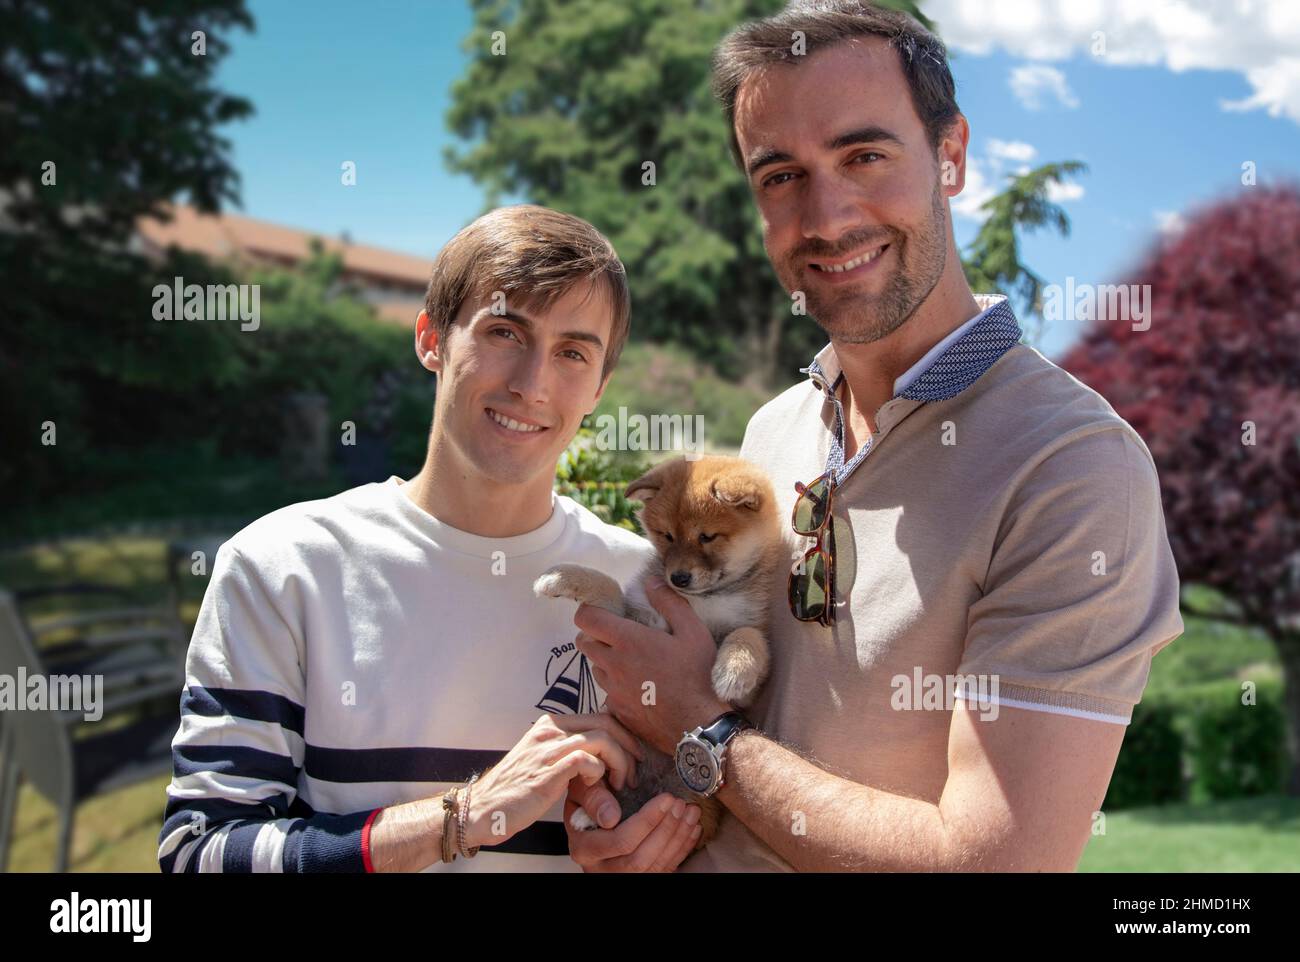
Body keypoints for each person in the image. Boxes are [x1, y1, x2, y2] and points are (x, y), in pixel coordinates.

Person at [569, 0, 1185, 872]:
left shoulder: (1073, 467)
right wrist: (638, 810)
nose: (824, 218)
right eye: (780, 175)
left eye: (864, 155)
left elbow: (994, 864)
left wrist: (701, 734)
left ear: (951, 154)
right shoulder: (775, 429)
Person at [158, 205, 702, 872]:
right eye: (504, 331)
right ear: (431, 339)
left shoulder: (647, 589)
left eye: (572, 352)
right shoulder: (281, 568)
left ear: (599, 387)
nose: (532, 385)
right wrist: (462, 818)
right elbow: (199, 852)